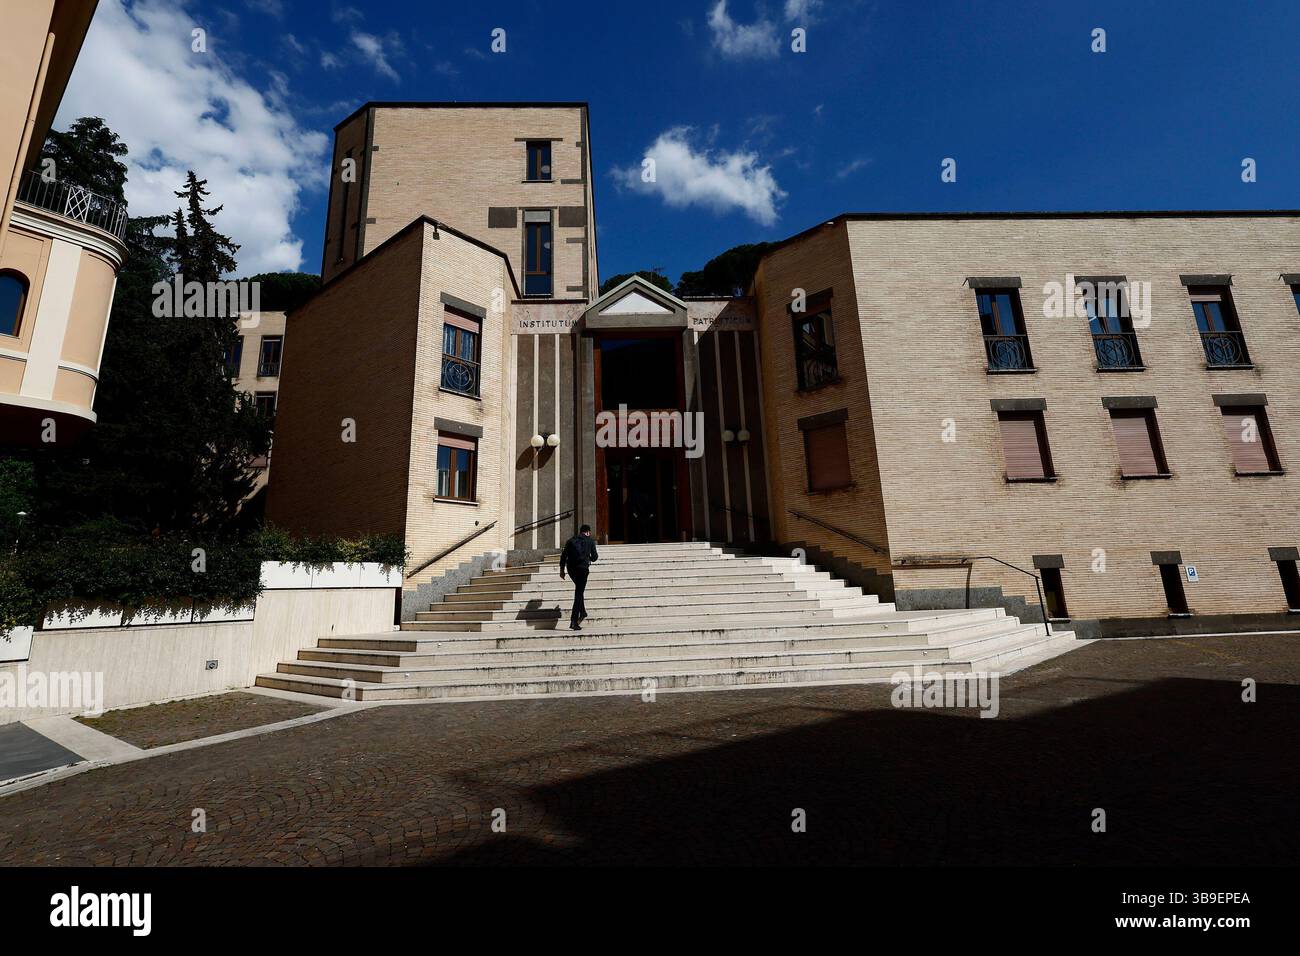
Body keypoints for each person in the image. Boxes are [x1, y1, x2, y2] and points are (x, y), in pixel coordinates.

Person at [559, 524, 599, 630]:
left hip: (571, 569)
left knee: (579, 590)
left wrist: (562, 570)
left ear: (580, 531)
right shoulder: (590, 541)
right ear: (588, 532)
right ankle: (573, 621)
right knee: (578, 594)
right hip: (582, 569)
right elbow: (595, 557)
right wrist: (588, 557)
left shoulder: (571, 540)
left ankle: (583, 611)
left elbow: (563, 556)